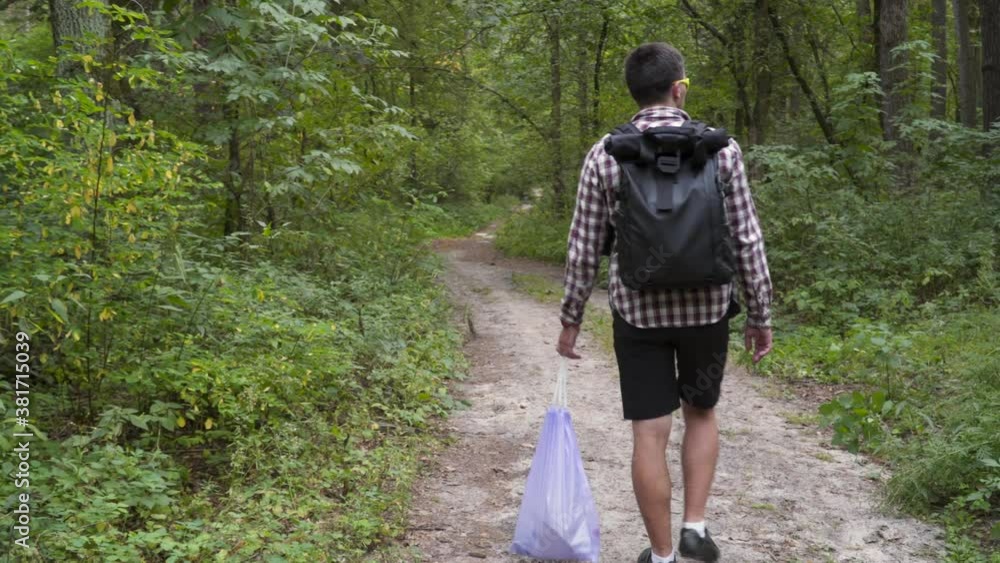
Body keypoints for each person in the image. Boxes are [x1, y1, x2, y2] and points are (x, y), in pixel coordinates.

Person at [555, 42, 774, 563]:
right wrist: (760, 314)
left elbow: (583, 245)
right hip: (708, 309)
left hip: (638, 311)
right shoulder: (723, 150)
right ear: (679, 90)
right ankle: (695, 529)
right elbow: (747, 239)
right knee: (701, 414)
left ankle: (661, 555)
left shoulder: (606, 152)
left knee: (649, 432)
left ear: (636, 93)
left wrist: (571, 319)